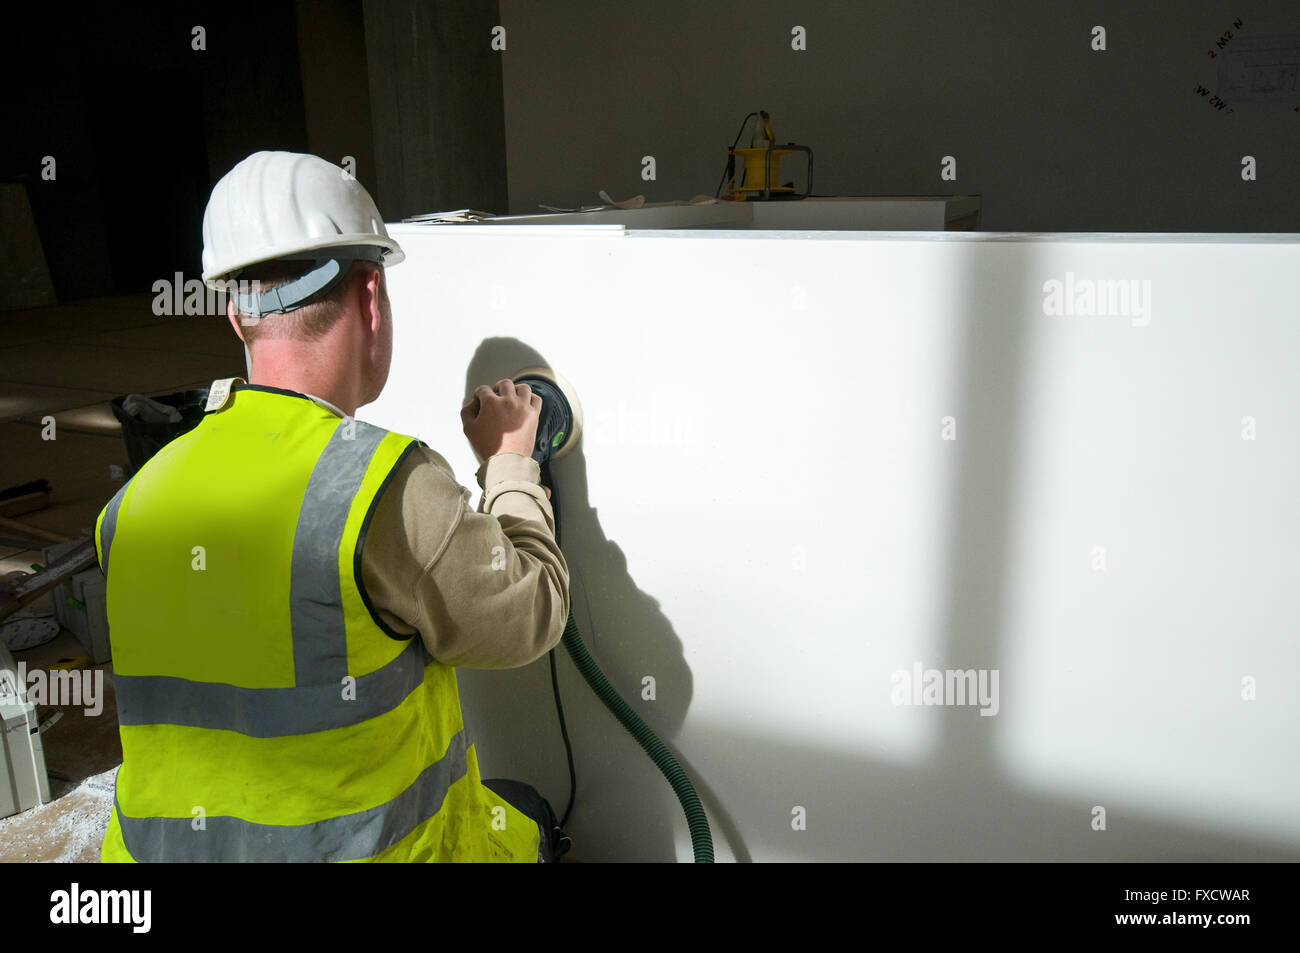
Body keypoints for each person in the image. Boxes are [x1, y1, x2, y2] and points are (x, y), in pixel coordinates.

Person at [95, 151, 571, 862]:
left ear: (235, 313)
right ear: (371, 296)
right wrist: (510, 461)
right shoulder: (384, 486)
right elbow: (533, 612)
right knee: (529, 814)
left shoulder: (132, 502)